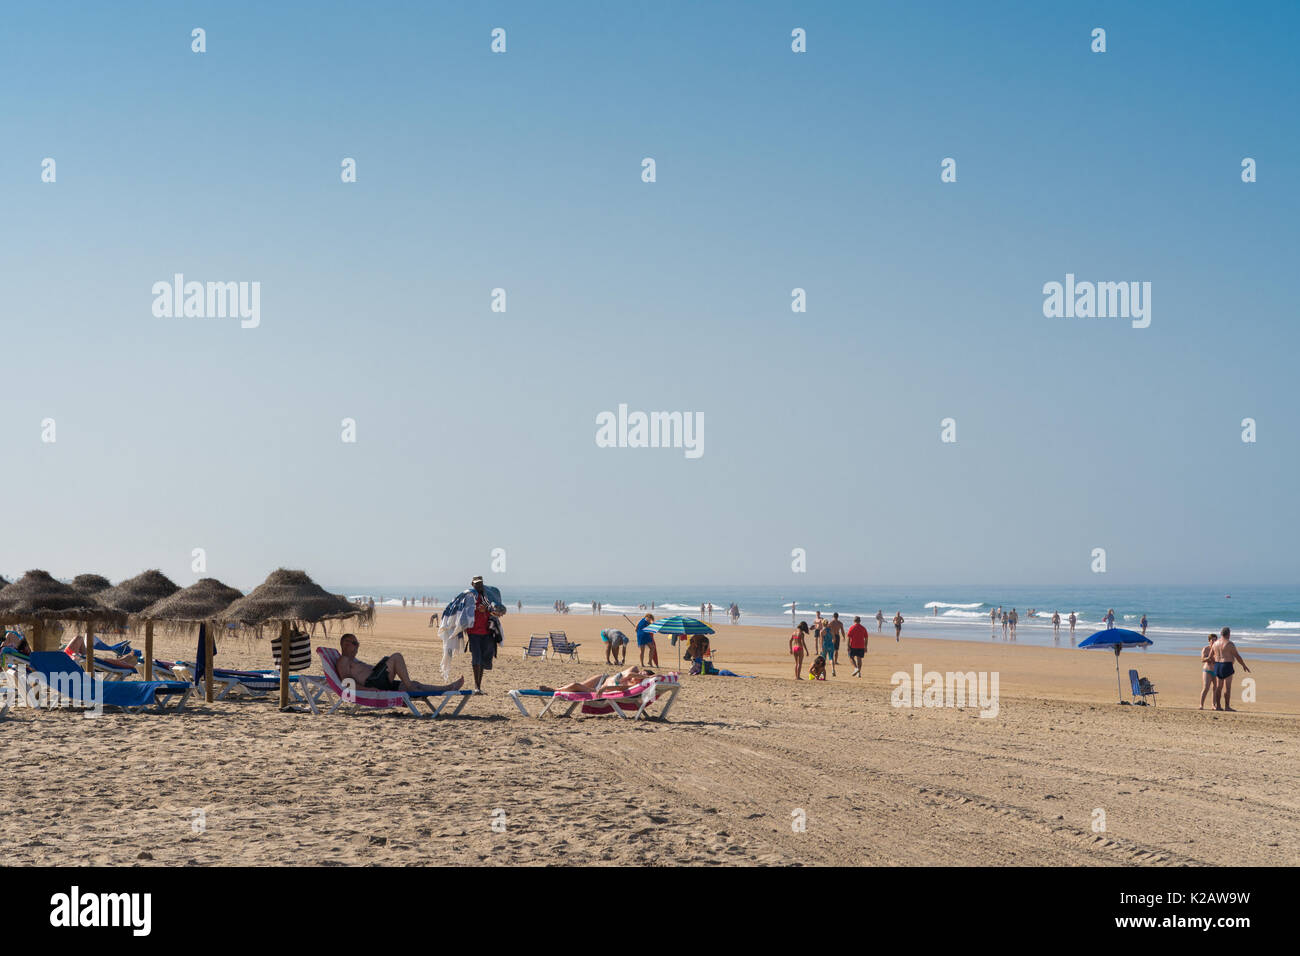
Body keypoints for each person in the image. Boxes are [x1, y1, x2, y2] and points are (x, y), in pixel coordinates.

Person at [335, 634, 464, 693]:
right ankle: (410, 687)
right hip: (374, 683)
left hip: (379, 681)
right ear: (345, 645)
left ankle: (447, 688)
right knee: (396, 657)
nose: (358, 646)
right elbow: (348, 683)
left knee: (415, 684)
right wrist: (368, 690)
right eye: (355, 643)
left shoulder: (352, 661)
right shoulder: (343, 661)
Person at [1211, 626, 1250, 711]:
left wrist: (1216, 663)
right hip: (1226, 665)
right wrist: (1243, 665)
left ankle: (1218, 706)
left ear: (1221, 633)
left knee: (1218, 687)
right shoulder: (1229, 644)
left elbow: (1211, 656)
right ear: (1229, 634)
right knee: (1227, 687)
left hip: (1218, 665)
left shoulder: (1215, 643)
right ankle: (1227, 706)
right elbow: (1237, 656)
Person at [543, 666, 655, 696]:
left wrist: (604, 688)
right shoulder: (631, 673)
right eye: (641, 673)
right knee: (579, 684)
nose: (640, 674)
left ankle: (554, 690)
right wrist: (647, 676)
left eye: (642, 676)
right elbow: (630, 673)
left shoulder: (630, 686)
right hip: (602, 678)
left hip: (597, 689)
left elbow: (614, 688)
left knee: (575, 685)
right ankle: (559, 688)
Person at [1199, 634, 1216, 710]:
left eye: (1215, 640)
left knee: (1215, 688)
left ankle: (1213, 705)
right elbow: (1202, 659)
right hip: (1207, 670)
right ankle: (1201, 705)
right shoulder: (1206, 649)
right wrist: (1209, 658)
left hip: (1216, 671)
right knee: (1206, 687)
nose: (1214, 641)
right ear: (1209, 641)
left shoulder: (1218, 649)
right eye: (1212, 640)